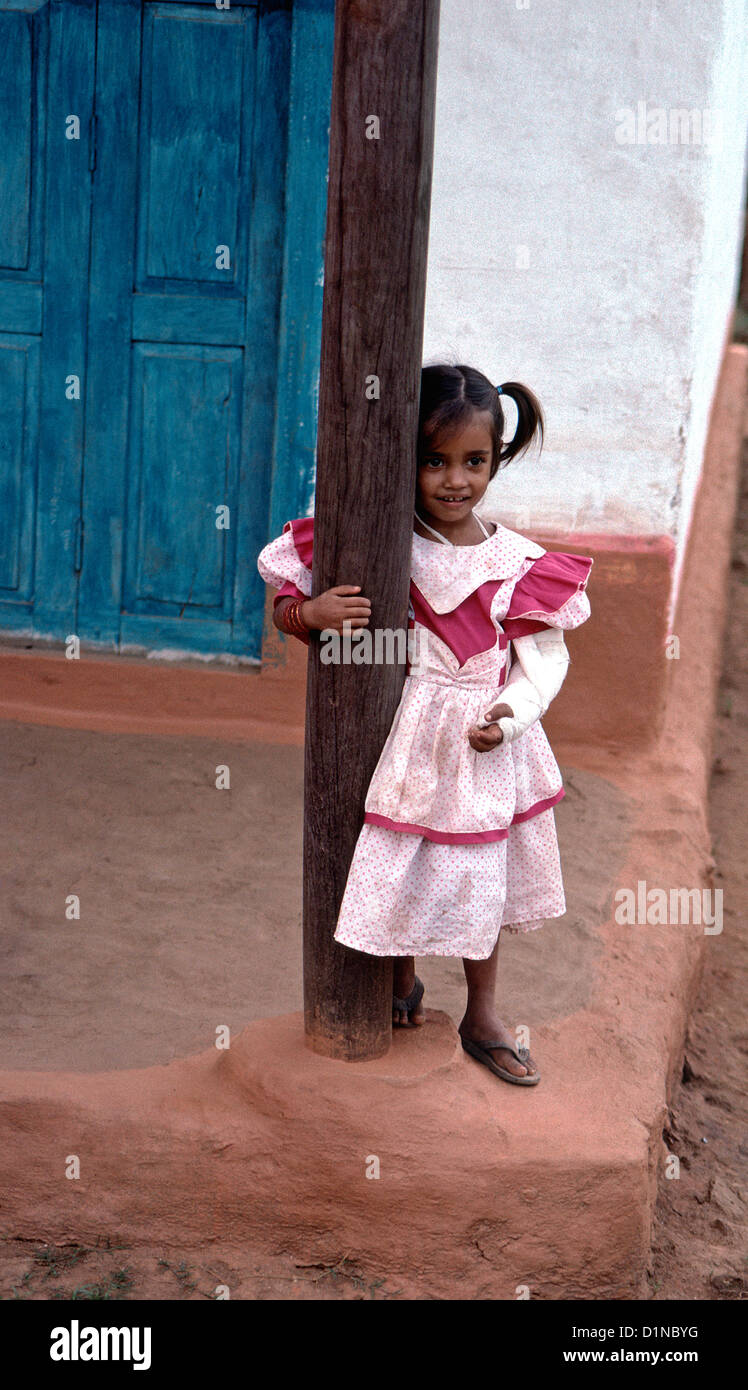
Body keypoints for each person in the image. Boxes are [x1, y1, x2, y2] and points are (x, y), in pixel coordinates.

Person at [257, 364, 593, 1086]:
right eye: (434, 461)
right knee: (400, 858)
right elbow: (289, 604)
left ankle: (483, 1010)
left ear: (495, 461)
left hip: (485, 744)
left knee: (481, 872)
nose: (454, 480)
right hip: (400, 737)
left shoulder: (518, 566)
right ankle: (401, 979)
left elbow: (543, 663)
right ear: (402, 458)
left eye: (474, 462)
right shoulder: (374, 539)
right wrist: (311, 616)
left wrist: (509, 714)